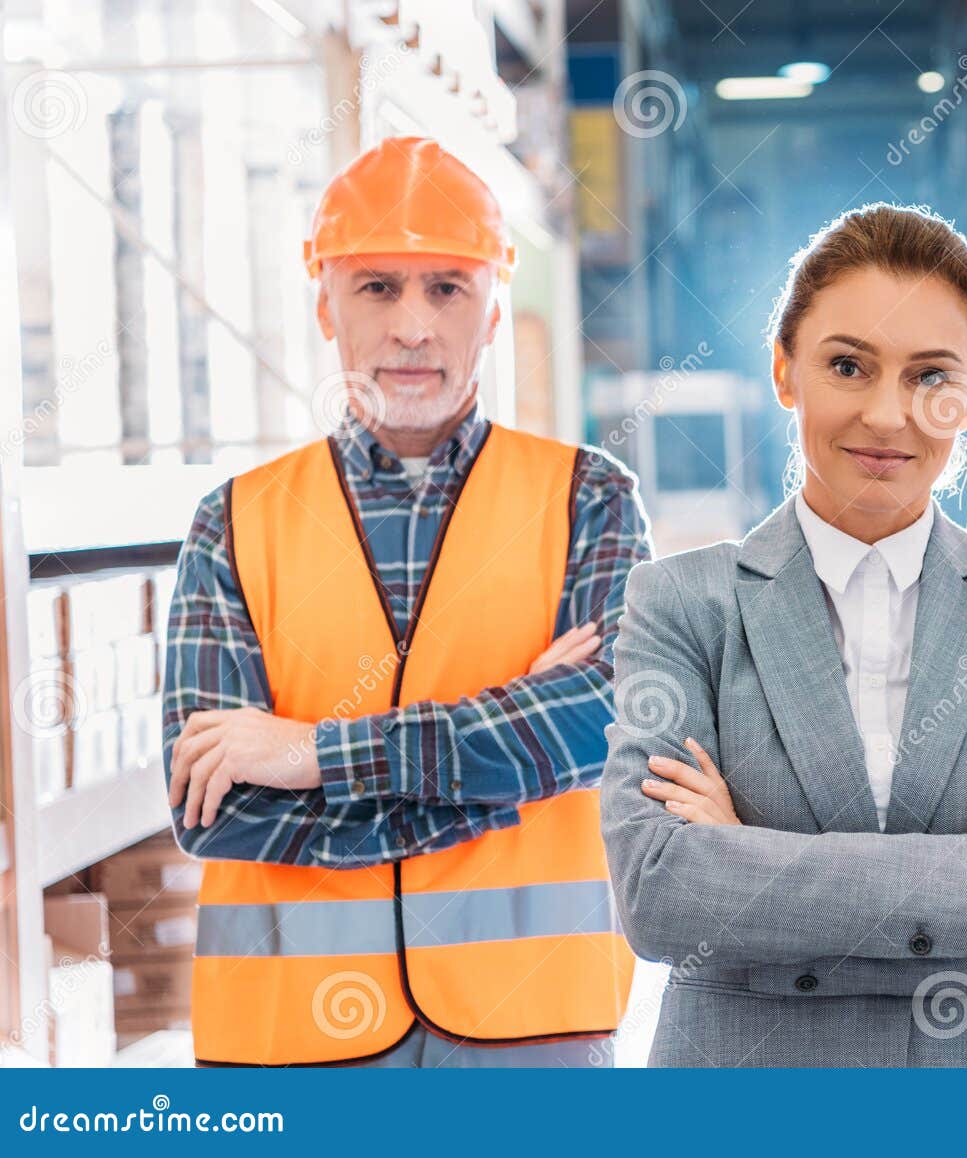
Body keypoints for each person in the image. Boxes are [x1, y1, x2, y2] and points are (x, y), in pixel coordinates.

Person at [600, 203, 967, 1068]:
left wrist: (755, 873)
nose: (889, 416)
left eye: (931, 375)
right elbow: (662, 898)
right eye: (849, 365)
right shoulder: (682, 605)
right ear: (785, 372)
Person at [162, 137, 648, 1067]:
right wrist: (508, 778)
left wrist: (309, 751)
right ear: (324, 303)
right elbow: (214, 810)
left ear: (495, 306)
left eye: (447, 288)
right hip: (293, 1045)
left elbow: (608, 721)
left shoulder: (590, 497)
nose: (413, 326)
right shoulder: (234, 523)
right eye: (377, 287)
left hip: (530, 1037)